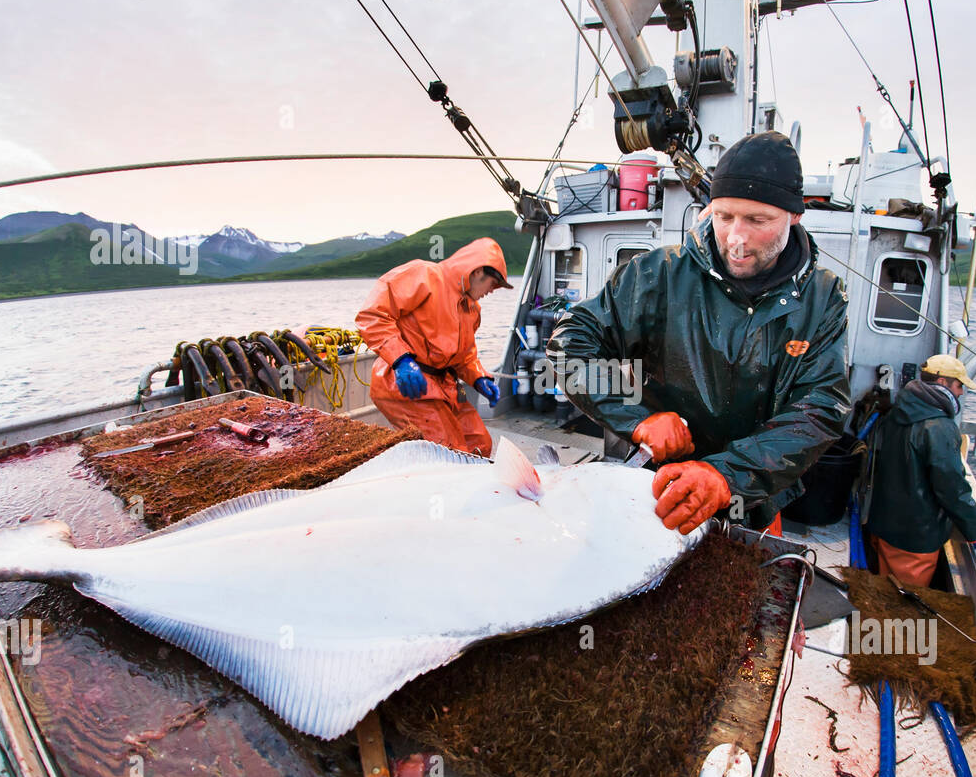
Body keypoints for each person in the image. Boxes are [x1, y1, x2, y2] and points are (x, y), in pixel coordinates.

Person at [547, 131, 851, 534]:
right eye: (724, 216)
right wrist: (638, 418)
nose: (736, 238)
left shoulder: (823, 297)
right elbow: (570, 345)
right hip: (659, 488)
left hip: (753, 497)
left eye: (757, 220)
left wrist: (726, 475)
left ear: (795, 215)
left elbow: (820, 408)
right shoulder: (656, 275)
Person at [355, 237, 512, 457]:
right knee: (449, 452)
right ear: (477, 272)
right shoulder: (424, 276)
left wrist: (478, 378)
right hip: (406, 384)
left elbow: (465, 357)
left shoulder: (472, 310)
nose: (493, 290)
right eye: (493, 283)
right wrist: (401, 360)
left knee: (480, 444)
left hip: (445, 386)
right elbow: (372, 316)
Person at [864, 354, 976, 587]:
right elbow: (953, 489)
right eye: (959, 385)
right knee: (901, 606)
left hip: (882, 525)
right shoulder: (940, 428)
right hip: (913, 539)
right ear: (943, 383)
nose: (961, 393)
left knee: (882, 588)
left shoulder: (896, 411)